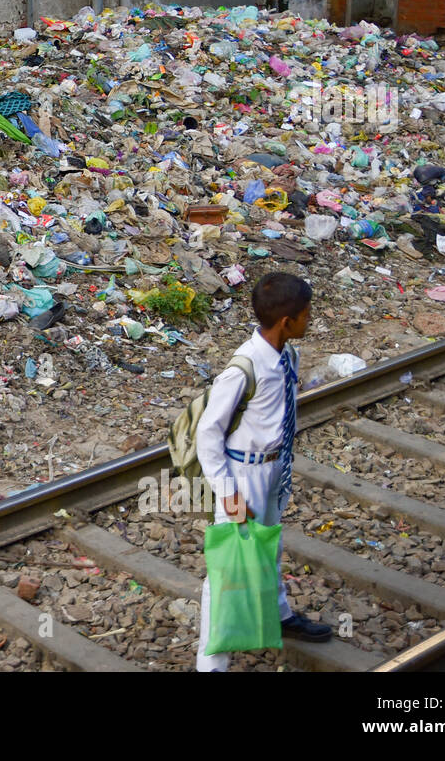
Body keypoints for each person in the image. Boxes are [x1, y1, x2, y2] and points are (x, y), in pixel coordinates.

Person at [195, 271, 331, 671]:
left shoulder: (287, 355)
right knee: (227, 572)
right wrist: (230, 494)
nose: (311, 320)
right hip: (243, 477)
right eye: (307, 314)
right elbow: (208, 433)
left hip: (273, 471)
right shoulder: (244, 367)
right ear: (288, 320)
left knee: (268, 546)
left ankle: (280, 615)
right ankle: (211, 666)